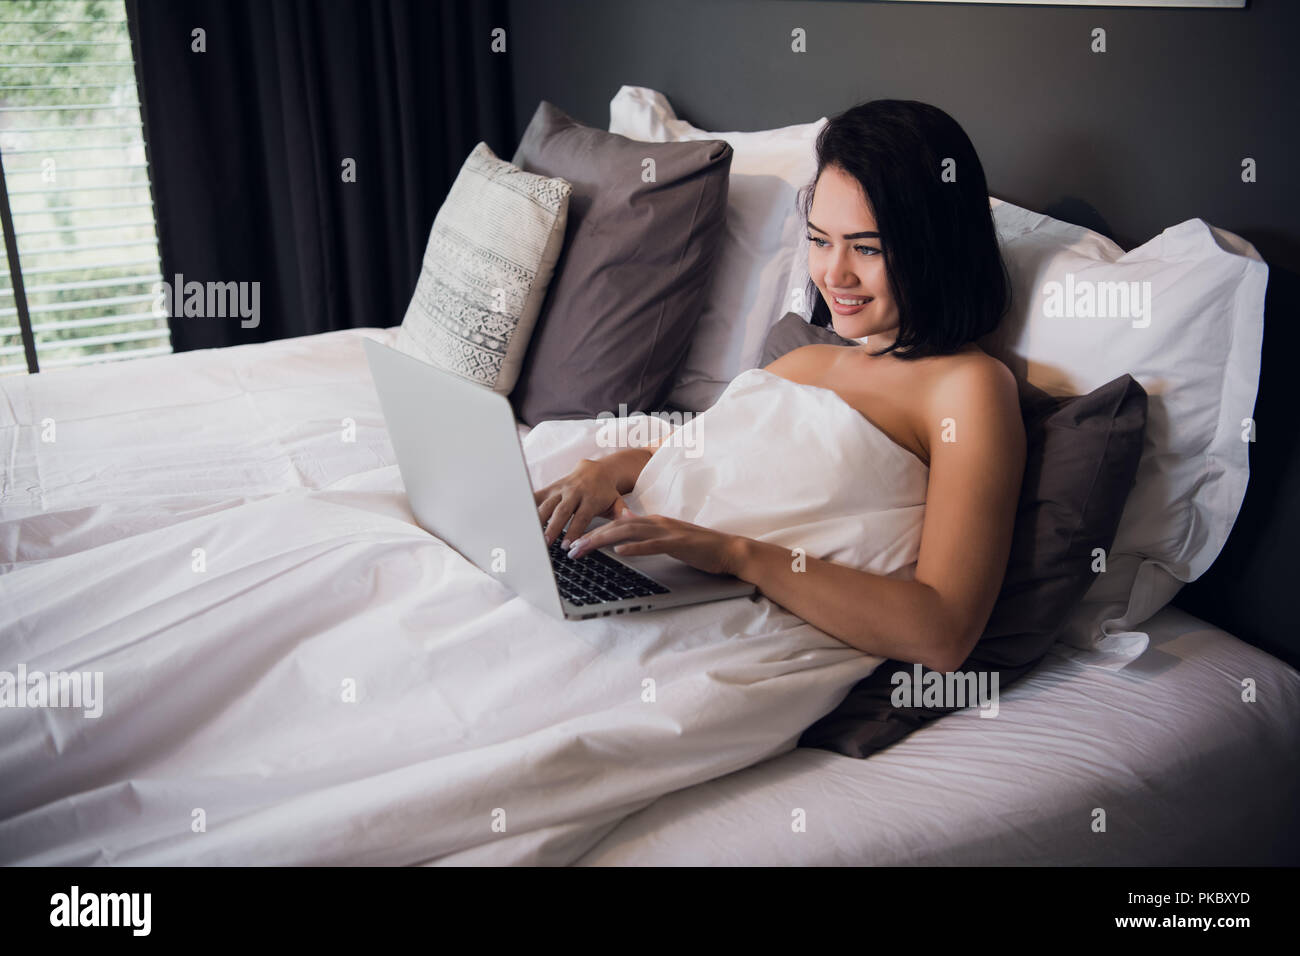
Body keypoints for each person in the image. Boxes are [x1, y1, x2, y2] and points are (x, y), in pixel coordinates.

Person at [533, 100, 1026, 675]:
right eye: (820, 240)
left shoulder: (968, 389)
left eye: (866, 248)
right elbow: (711, 459)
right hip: (623, 560)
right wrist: (607, 469)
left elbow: (941, 632)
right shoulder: (808, 359)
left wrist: (733, 554)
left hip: (714, 625)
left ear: (937, 247)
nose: (833, 274)